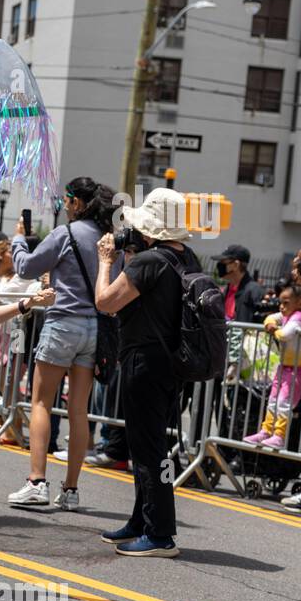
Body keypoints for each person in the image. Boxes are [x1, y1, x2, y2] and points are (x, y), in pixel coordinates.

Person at [93, 188, 200, 558]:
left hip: (145, 362)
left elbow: (106, 302)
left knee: (147, 447)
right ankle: (141, 520)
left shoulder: (149, 261)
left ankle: (159, 534)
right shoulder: (186, 257)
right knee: (153, 445)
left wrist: (107, 261)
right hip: (174, 363)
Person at [6, 177, 114, 512]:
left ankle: (37, 481)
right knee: (78, 410)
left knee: (40, 402)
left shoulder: (66, 234)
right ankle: (70, 489)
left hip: (62, 322)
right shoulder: (109, 239)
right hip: (94, 328)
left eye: (67, 200)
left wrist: (18, 241)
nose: (64, 205)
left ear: (78, 203)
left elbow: (25, 267)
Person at [243, 284, 301, 448]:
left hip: (299, 369)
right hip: (285, 366)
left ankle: (279, 435)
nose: (281, 306)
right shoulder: (288, 314)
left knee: (284, 402)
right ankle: (266, 431)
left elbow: (285, 335)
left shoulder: (300, 316)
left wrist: (273, 329)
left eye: (285, 303)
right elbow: (270, 318)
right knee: (273, 399)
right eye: (280, 303)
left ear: (299, 302)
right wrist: (270, 323)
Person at [217, 244, 265, 324]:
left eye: (223, 262)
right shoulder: (227, 289)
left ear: (236, 265)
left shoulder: (253, 291)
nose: (219, 265)